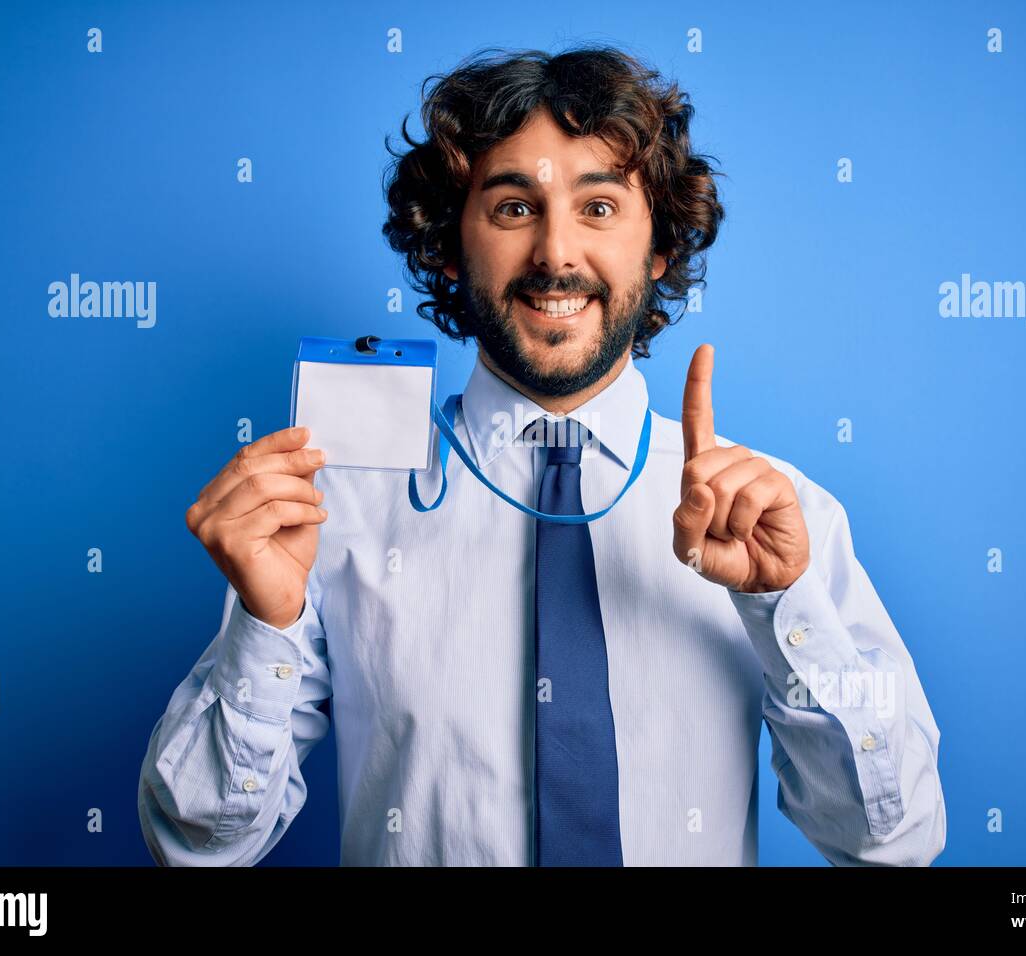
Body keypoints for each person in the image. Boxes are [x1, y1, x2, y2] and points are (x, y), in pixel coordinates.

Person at [137, 45, 946, 867]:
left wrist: (786, 608)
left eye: (599, 208)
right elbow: (196, 844)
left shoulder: (777, 521)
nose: (557, 255)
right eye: (514, 208)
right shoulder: (334, 508)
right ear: (450, 246)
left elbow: (895, 840)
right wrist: (266, 625)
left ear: (658, 249)